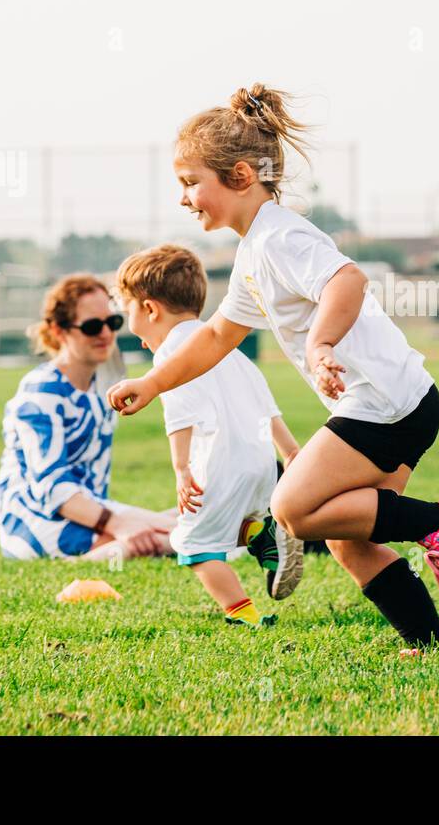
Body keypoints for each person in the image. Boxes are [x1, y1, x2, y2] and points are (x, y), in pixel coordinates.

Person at [107, 84, 439, 652]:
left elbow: (347, 279)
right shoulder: (255, 251)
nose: (184, 199)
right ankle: (431, 644)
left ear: (238, 175)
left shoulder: (280, 237)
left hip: (383, 401)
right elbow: (215, 336)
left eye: (190, 183)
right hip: (403, 401)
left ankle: (438, 523)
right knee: (343, 534)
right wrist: (154, 383)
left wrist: (320, 344)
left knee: (293, 508)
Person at [116, 243, 303, 626]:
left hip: (218, 464)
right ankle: (259, 533)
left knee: (193, 546)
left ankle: (244, 614)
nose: (132, 331)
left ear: (150, 309)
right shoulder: (228, 347)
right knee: (225, 526)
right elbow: (264, 403)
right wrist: (291, 452)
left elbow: (179, 415)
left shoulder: (170, 356)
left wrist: (182, 470)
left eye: (127, 313)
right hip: (260, 466)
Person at [0, 273, 176, 560]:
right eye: (92, 326)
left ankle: (231, 529)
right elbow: (51, 489)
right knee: (166, 537)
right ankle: (228, 539)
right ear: (58, 331)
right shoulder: (41, 392)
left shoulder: (103, 382)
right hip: (38, 522)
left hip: (90, 513)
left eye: (112, 323)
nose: (105, 333)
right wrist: (118, 523)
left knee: (176, 523)